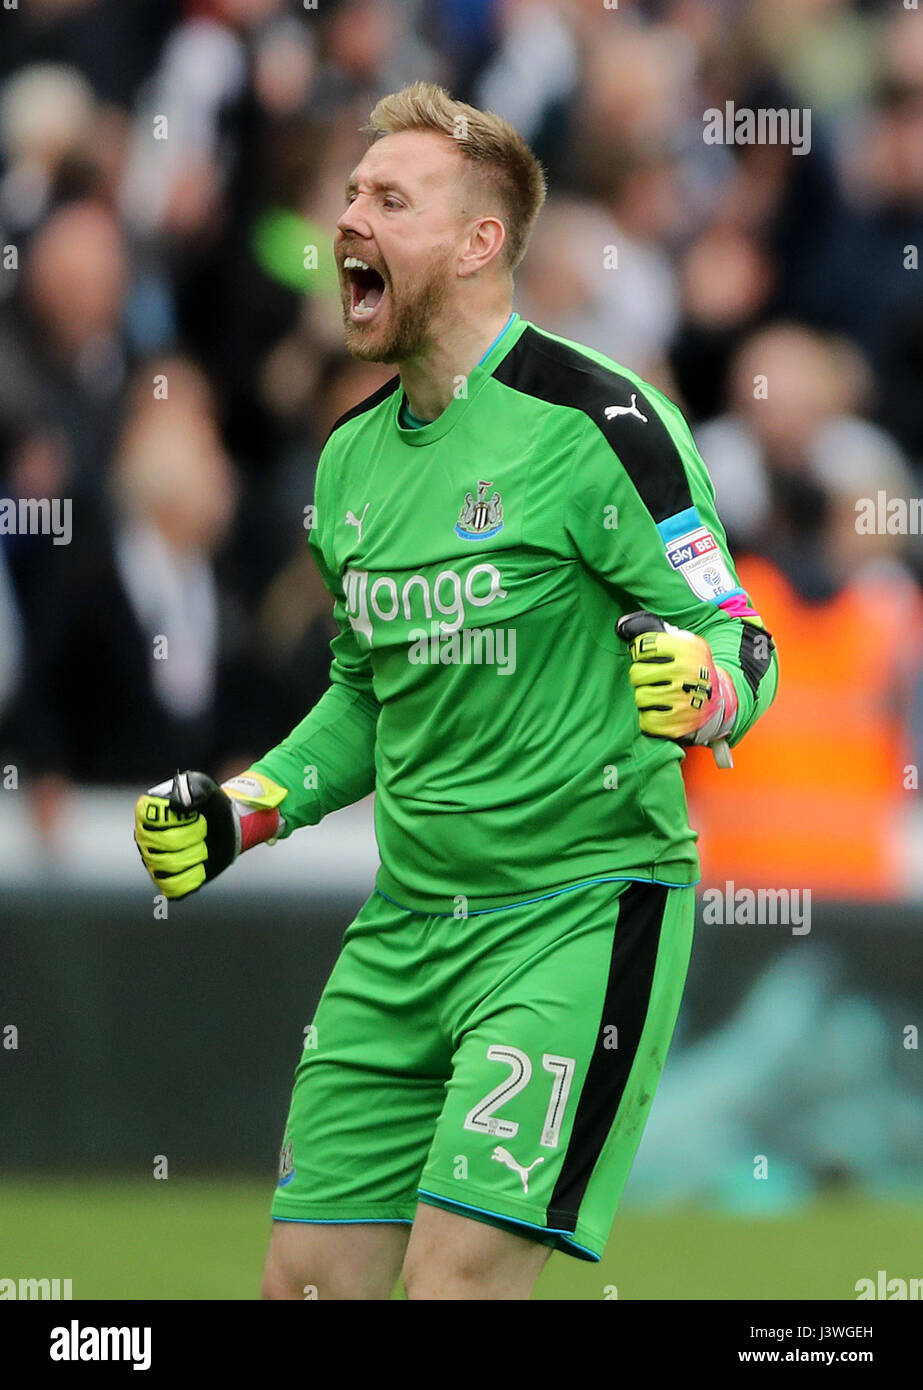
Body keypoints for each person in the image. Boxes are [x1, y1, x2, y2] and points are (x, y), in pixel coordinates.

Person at [133, 82, 778, 1301]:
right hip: (402, 931)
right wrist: (245, 807)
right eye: (348, 195)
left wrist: (705, 690)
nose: (346, 222)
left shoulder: (600, 421)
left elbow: (736, 637)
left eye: (388, 198)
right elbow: (363, 697)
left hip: (574, 918)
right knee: (304, 1284)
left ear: (480, 242)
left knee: (453, 1289)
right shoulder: (348, 458)